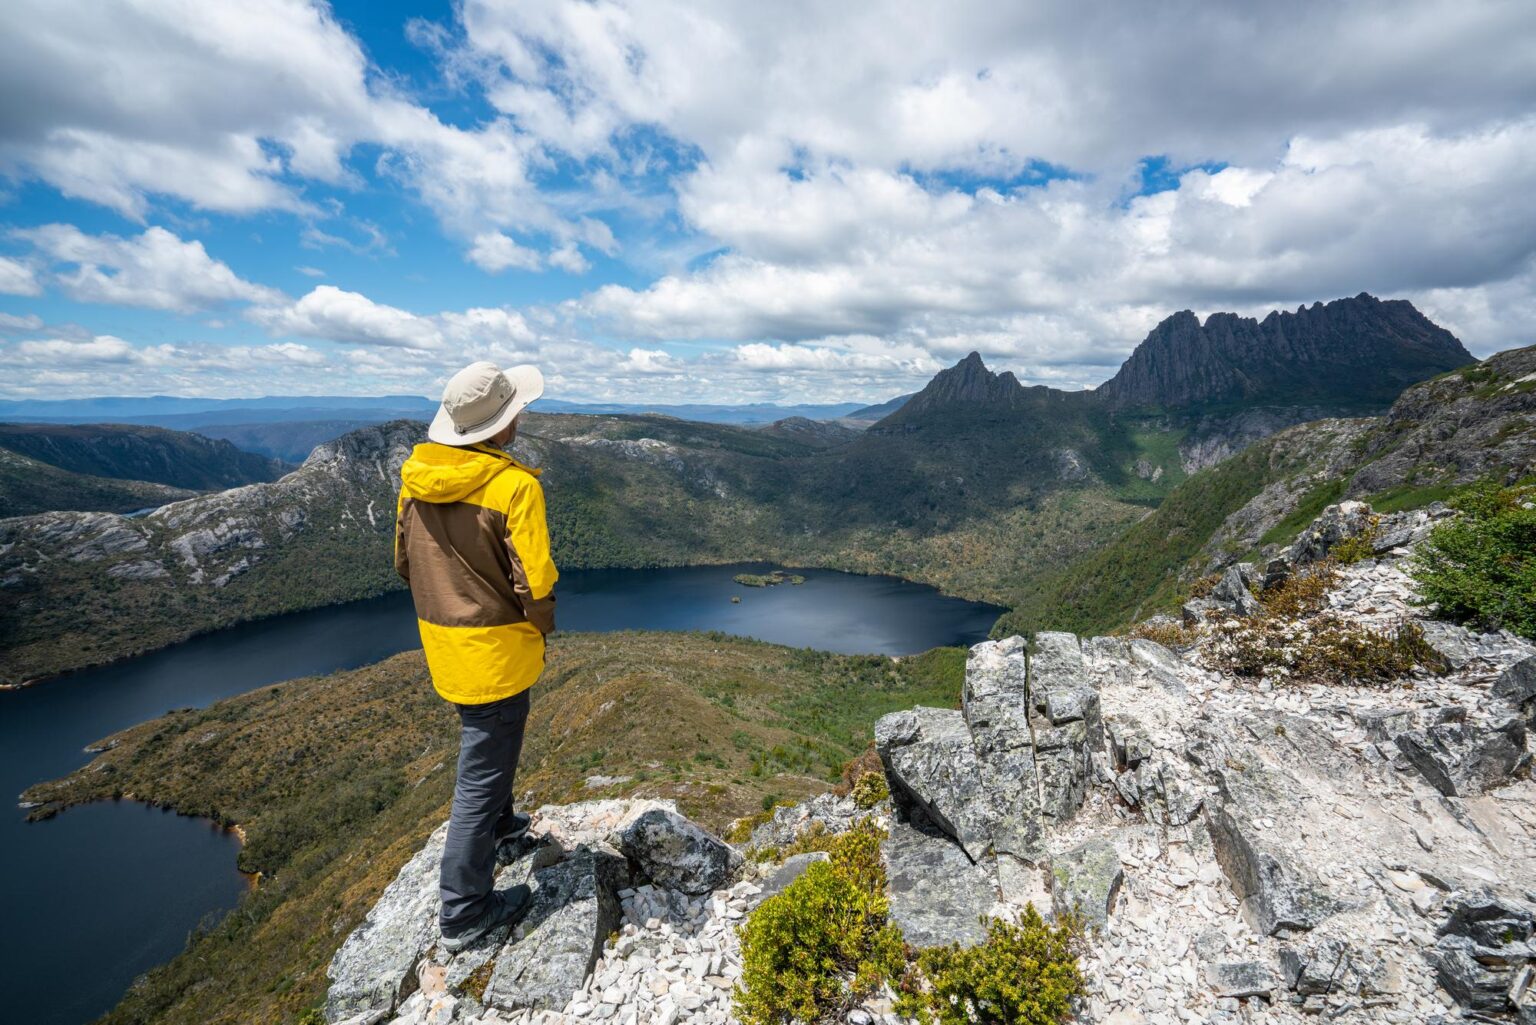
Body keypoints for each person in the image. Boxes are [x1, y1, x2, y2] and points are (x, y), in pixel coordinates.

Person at [393, 360, 557, 951]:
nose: (522, 417)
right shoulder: (516, 487)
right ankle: (464, 910)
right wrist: (542, 628)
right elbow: (535, 586)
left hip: (444, 642)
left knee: (494, 743)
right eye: (516, 411)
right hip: (498, 649)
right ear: (500, 426)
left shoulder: (416, 478)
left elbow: (405, 563)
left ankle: (505, 828)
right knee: (481, 773)